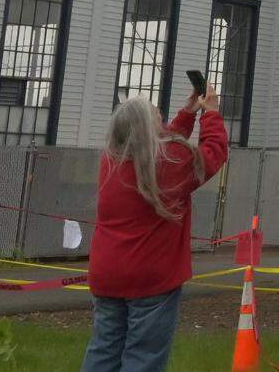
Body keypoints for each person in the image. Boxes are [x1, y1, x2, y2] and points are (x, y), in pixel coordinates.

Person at [81, 86, 229, 372]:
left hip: (107, 274)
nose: (159, 114)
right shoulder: (166, 164)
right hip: (152, 279)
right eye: (155, 115)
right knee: (143, 357)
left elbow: (163, 149)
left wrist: (187, 114)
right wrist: (210, 114)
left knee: (103, 349)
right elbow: (211, 155)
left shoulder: (111, 161)